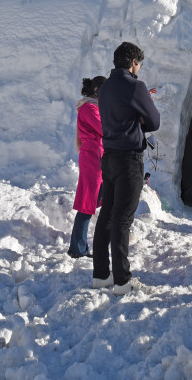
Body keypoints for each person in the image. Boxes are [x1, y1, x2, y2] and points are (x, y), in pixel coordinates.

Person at [92, 42, 160, 295]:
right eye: (139, 64)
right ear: (133, 62)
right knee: (122, 220)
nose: (139, 69)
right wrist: (140, 117)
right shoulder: (135, 86)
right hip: (129, 158)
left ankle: (101, 275)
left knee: (108, 215)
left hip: (108, 156)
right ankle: (122, 281)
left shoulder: (106, 87)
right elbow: (153, 121)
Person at [69, 75, 107, 258]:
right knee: (87, 203)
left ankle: (80, 246)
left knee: (93, 200)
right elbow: (104, 129)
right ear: (97, 90)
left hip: (96, 156)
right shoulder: (89, 108)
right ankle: (77, 248)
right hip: (92, 156)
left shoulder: (92, 107)